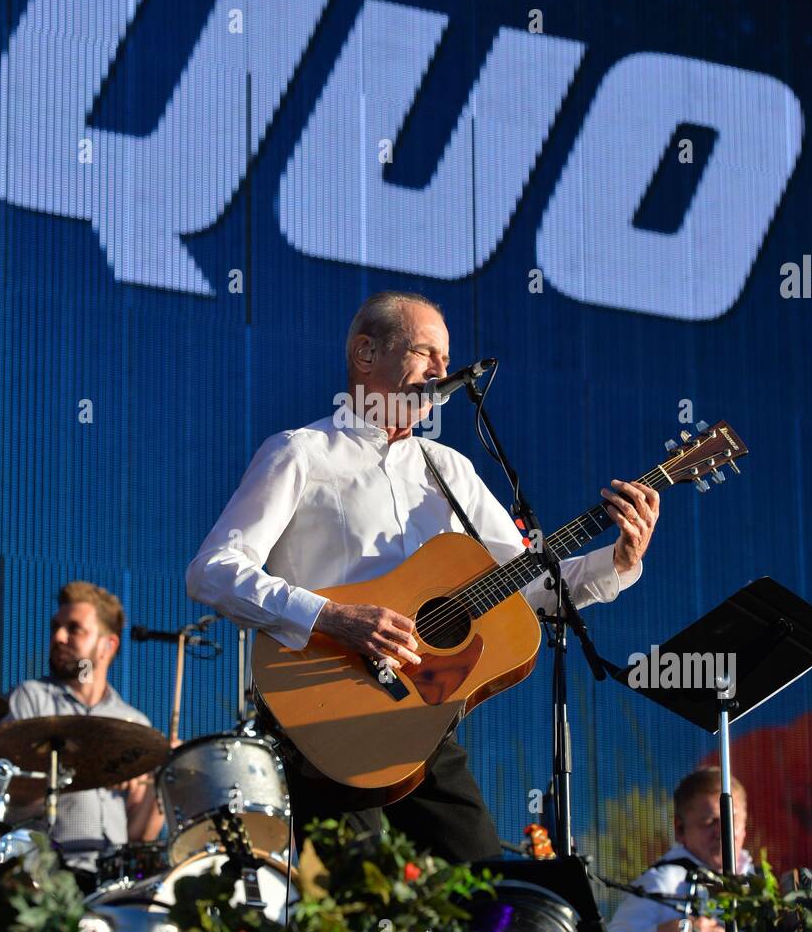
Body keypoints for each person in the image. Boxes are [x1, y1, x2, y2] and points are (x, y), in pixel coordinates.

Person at [186, 290, 658, 862]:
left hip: (423, 722)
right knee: (355, 908)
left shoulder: (449, 468)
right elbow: (214, 571)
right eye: (425, 353)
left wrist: (620, 560)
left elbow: (532, 585)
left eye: (446, 357)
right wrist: (334, 617)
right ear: (365, 353)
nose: (442, 371)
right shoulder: (303, 453)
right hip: (323, 716)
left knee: (487, 892)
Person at [4, 581, 165, 884]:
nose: (58, 637)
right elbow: (17, 791)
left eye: (74, 629)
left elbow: (137, 835)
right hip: (43, 874)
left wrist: (162, 779)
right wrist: (99, 766)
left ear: (108, 645)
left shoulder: (134, 724)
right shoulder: (32, 698)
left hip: (110, 882)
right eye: (56, 627)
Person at [607, 767, 754, 932]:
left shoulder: (758, 883)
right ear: (680, 829)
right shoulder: (663, 881)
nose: (722, 831)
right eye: (709, 822)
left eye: (731, 820)